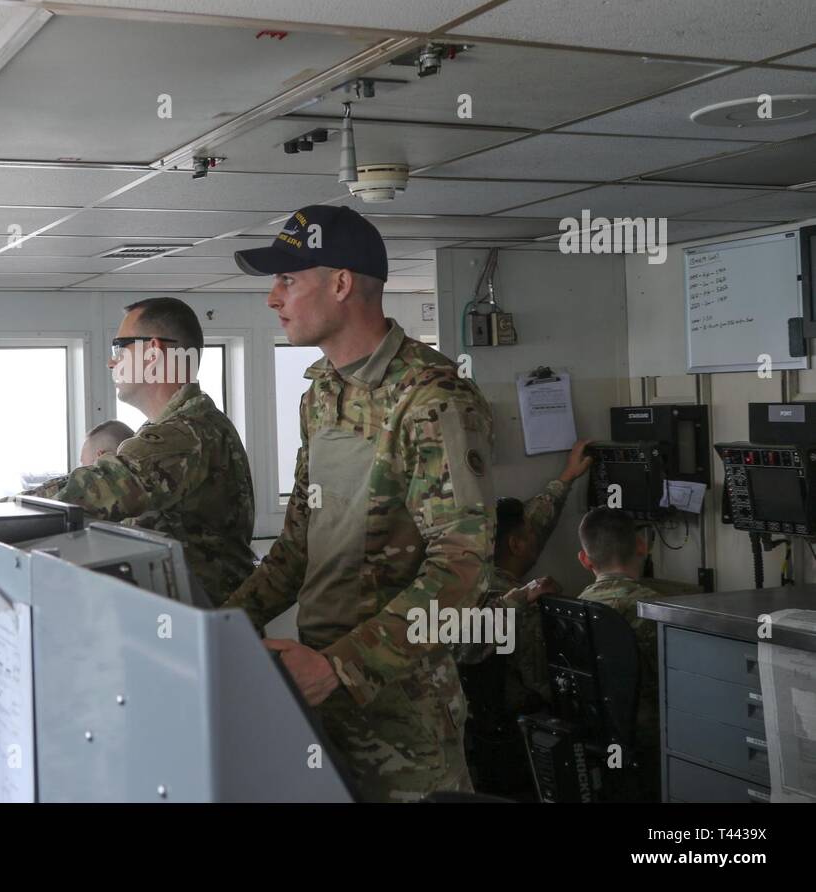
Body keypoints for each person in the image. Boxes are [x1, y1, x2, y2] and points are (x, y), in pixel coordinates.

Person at [223, 205, 495, 802]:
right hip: (315, 693)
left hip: (403, 712)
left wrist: (341, 667)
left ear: (341, 283)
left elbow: (465, 565)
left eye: (288, 279)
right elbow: (298, 543)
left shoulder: (433, 397)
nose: (273, 297)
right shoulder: (321, 393)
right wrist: (219, 628)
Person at [25, 298, 256, 606]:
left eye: (120, 348)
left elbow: (95, 490)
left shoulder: (186, 434)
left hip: (203, 630)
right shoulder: (182, 426)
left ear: (152, 353)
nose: (111, 362)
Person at [458, 438, 594, 714]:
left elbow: (538, 517)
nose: (537, 534)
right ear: (516, 545)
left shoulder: (464, 582)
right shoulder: (526, 609)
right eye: (530, 533)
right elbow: (545, 685)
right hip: (519, 726)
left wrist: (568, 475)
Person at [576, 506, 663, 781]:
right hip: (650, 739)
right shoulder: (655, 611)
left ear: (584, 560)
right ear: (642, 546)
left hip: (591, 736)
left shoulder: (574, 609)